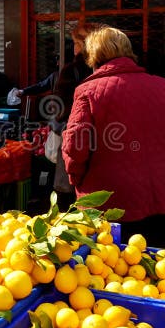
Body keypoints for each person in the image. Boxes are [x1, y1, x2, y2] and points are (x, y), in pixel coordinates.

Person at [62, 26, 165, 248]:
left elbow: (75, 147)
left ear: (94, 55)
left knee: (113, 275)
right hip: (161, 199)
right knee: (159, 270)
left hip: (110, 203)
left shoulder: (88, 91)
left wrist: (78, 181)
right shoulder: (161, 86)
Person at [50, 22, 104, 208]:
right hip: (104, 144)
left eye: (76, 43)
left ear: (85, 45)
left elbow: (57, 109)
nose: (73, 47)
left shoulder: (70, 71)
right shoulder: (108, 71)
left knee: (68, 196)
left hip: (74, 141)